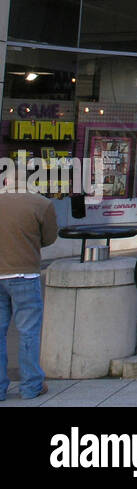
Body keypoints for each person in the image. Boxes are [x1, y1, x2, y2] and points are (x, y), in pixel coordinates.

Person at [0, 166, 58, 400]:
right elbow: (49, 237)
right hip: (26, 274)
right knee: (28, 332)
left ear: (6, 182)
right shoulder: (41, 204)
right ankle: (31, 385)